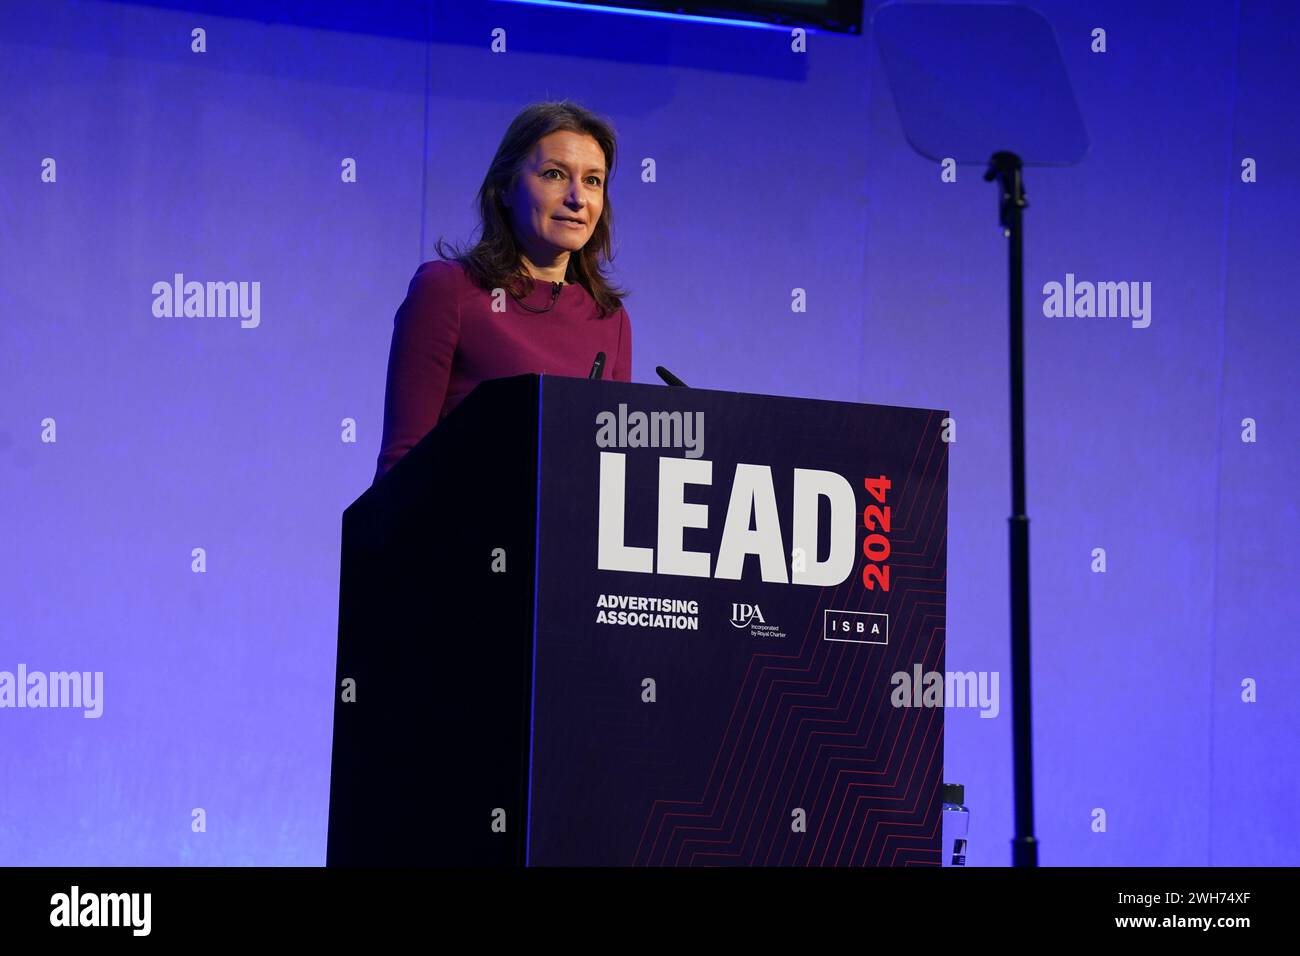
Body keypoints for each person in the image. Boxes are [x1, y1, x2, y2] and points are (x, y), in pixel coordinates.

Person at [373, 101, 633, 482]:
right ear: (506, 188)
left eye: (593, 180)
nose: (578, 198)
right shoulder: (448, 291)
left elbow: (613, 473)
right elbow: (402, 465)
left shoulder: (610, 319)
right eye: (555, 174)